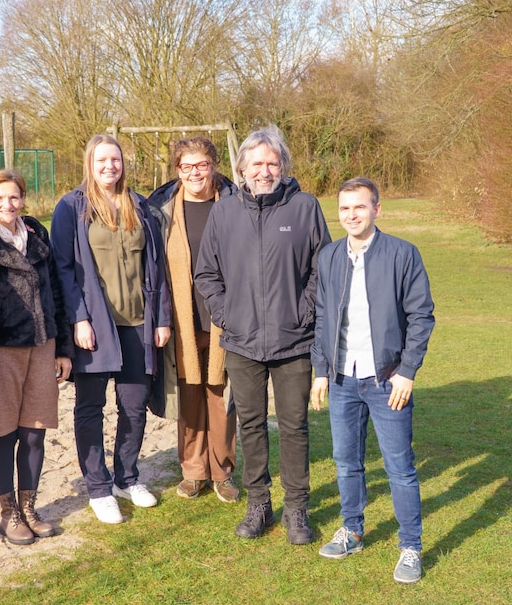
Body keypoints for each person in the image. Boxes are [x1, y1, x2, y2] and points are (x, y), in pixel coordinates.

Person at [194, 126, 331, 544]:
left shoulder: (305, 208)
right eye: (257, 163)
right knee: (251, 424)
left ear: (283, 166)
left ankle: (296, 509)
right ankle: (259, 504)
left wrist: (304, 313)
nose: (265, 170)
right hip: (242, 342)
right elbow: (206, 273)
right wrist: (227, 314)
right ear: (241, 169)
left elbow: (320, 270)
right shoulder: (225, 212)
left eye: (272, 163)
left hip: (293, 343)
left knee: (293, 426)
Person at [309, 177, 435, 584]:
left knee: (400, 468)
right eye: (344, 209)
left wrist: (407, 372)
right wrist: (321, 371)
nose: (351, 215)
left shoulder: (402, 254)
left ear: (377, 209)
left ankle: (411, 547)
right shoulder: (328, 256)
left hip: (386, 380)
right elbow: (323, 318)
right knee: (346, 464)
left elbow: (421, 316)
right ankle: (353, 530)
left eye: (359, 207)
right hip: (343, 378)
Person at [50, 134, 172, 524]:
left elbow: (158, 266)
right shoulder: (72, 207)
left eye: (115, 160)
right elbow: (64, 269)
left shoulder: (139, 206)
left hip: (139, 323)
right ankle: (99, 488)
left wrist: (163, 318)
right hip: (95, 327)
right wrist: (79, 318)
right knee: (91, 407)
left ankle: (126, 477)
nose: (109, 166)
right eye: (102, 160)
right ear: (90, 163)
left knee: (134, 406)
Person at [0, 170, 74, 545]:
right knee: (2, 433)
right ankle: (8, 512)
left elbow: (55, 290)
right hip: (0, 350)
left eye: (15, 197)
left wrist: (62, 348)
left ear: (23, 199)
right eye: (0, 199)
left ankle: (29, 506)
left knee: (34, 432)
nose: (8, 205)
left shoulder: (37, 235)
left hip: (42, 346)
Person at [147, 137, 240, 503]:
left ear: (214, 165)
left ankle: (223, 471)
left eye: (201, 165)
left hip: (223, 316)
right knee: (189, 396)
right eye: (187, 166)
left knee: (220, 394)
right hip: (182, 318)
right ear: (177, 170)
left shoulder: (234, 205)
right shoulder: (163, 210)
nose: (195, 173)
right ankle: (193, 470)